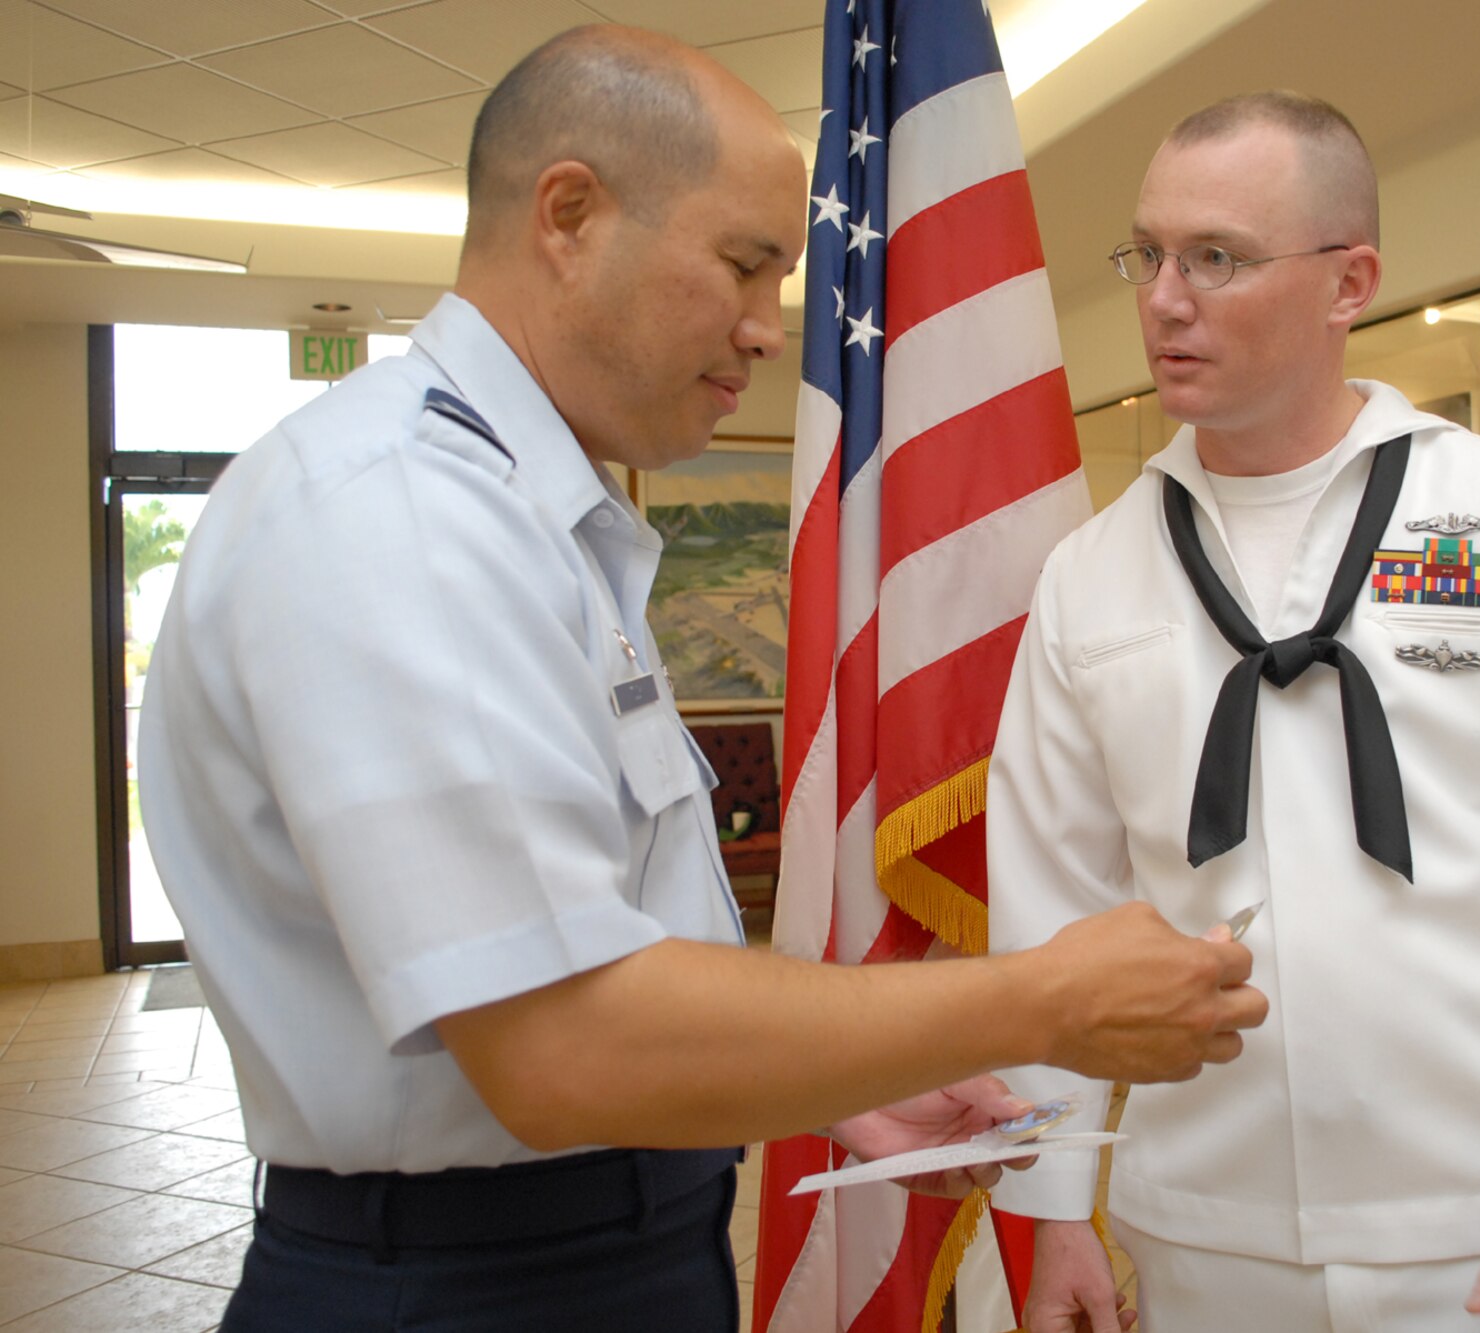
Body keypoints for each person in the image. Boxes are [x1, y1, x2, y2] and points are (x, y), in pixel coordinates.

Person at [136, 27, 1266, 1332]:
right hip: (473, 1282)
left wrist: (835, 1083)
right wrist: (1040, 999)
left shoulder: (530, 520)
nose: (768, 330)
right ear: (570, 214)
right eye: (743, 265)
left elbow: (618, 933)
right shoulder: (398, 515)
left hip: (605, 1241)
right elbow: (560, 1044)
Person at [987, 91, 1480, 1333]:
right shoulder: (1091, 576)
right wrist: (1052, 1201)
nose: (1164, 298)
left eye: (1216, 258)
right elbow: (1045, 899)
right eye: (1149, 254)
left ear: (1349, 283)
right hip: (1197, 1230)